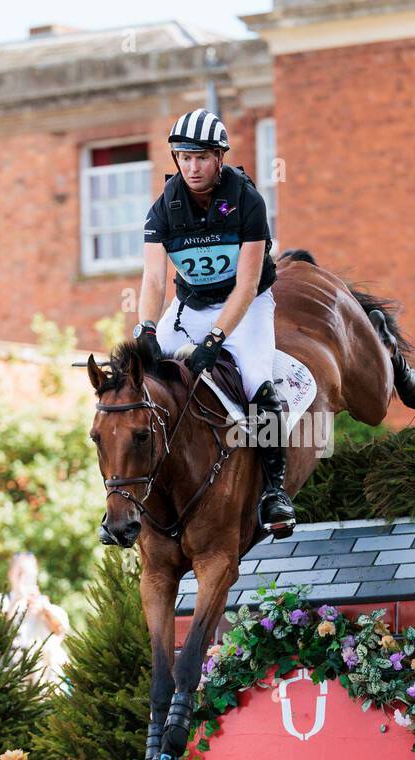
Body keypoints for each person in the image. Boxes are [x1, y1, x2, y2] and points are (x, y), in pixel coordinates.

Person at [133, 108, 297, 539]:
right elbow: (152, 278)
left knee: (258, 384)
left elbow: (245, 286)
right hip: (191, 306)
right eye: (184, 158)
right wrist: (146, 328)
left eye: (201, 157)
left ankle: (274, 493)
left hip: (247, 307)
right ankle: (135, 494)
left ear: (219, 158)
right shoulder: (163, 209)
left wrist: (215, 339)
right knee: (140, 381)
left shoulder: (247, 201)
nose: (192, 167)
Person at [0, 552, 70, 689]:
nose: (25, 577)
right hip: (11, 670)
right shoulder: (1, 601)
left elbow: (60, 631)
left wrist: (44, 611)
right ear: (11, 573)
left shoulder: (44, 603)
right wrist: (16, 600)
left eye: (29, 572)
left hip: (44, 672)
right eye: (20, 572)